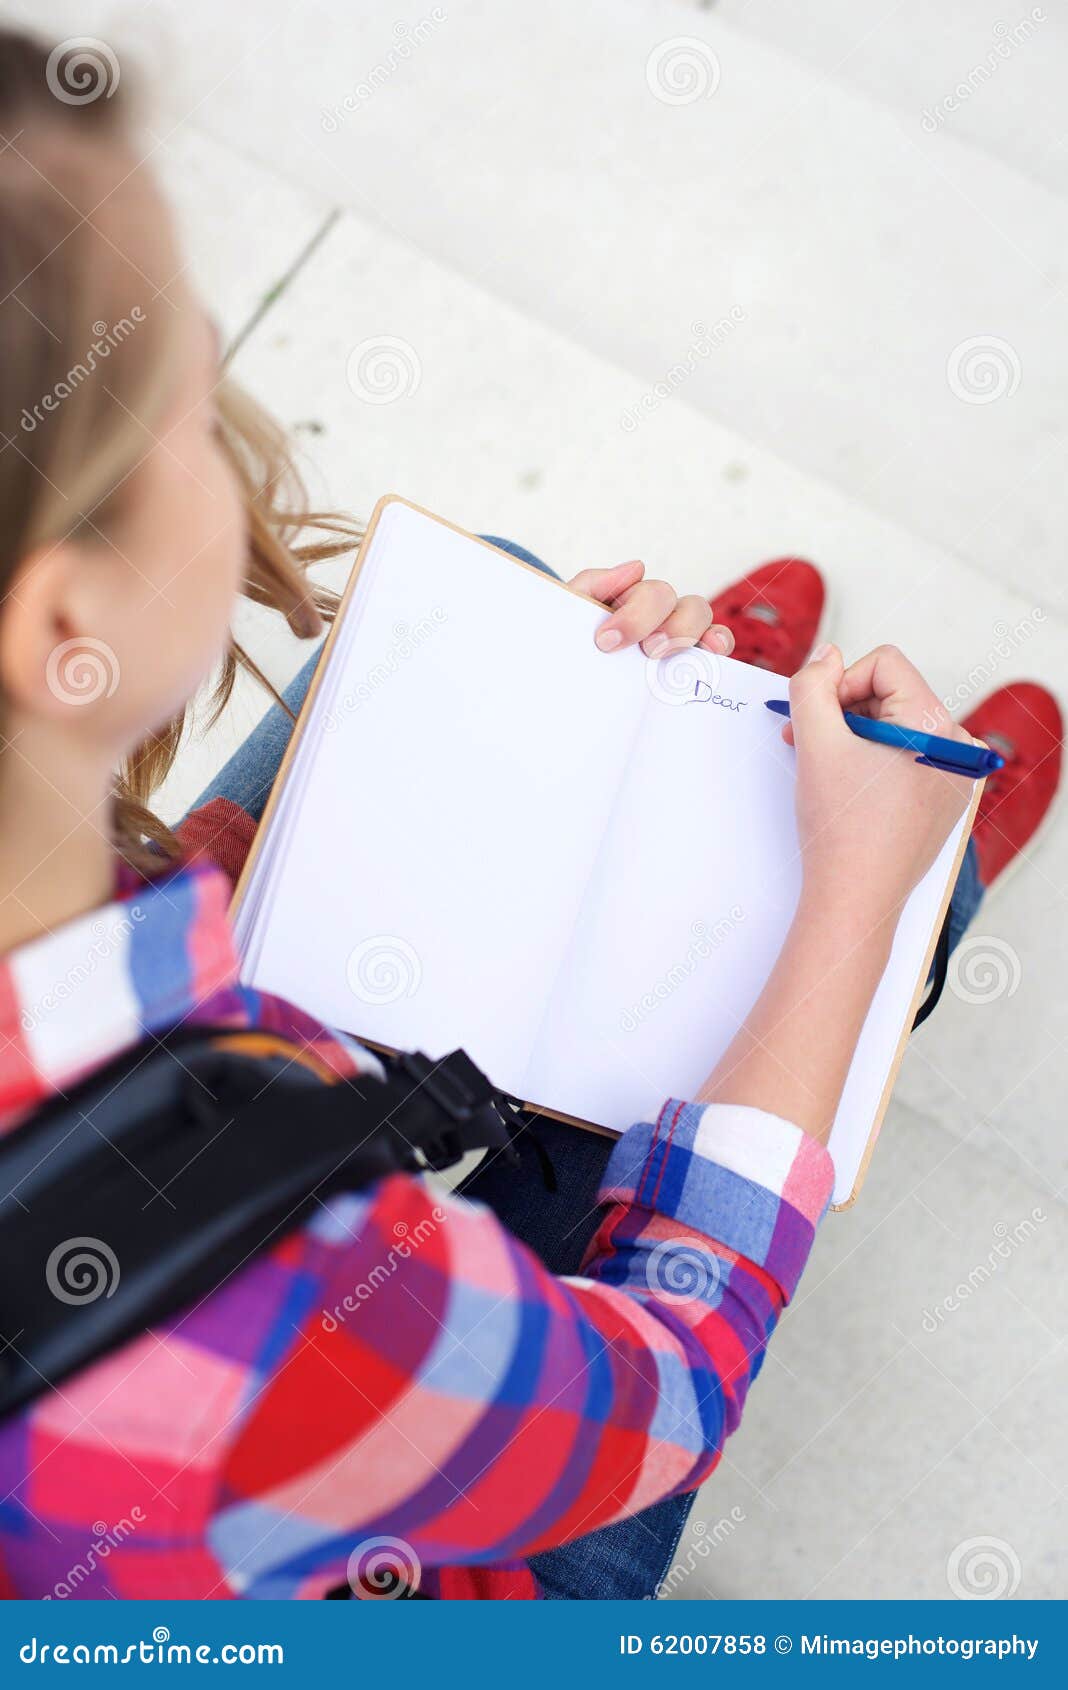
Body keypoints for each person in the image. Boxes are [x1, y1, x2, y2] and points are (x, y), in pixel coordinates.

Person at [0, 32, 1059, 1603]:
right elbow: (670, 1379)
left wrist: (480, 771)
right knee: (825, 912)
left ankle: (684, 779)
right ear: (62, 616)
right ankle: (917, 877)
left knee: (473, 597)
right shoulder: (255, 1320)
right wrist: (850, 899)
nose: (216, 376)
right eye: (178, 390)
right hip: (417, 1577)